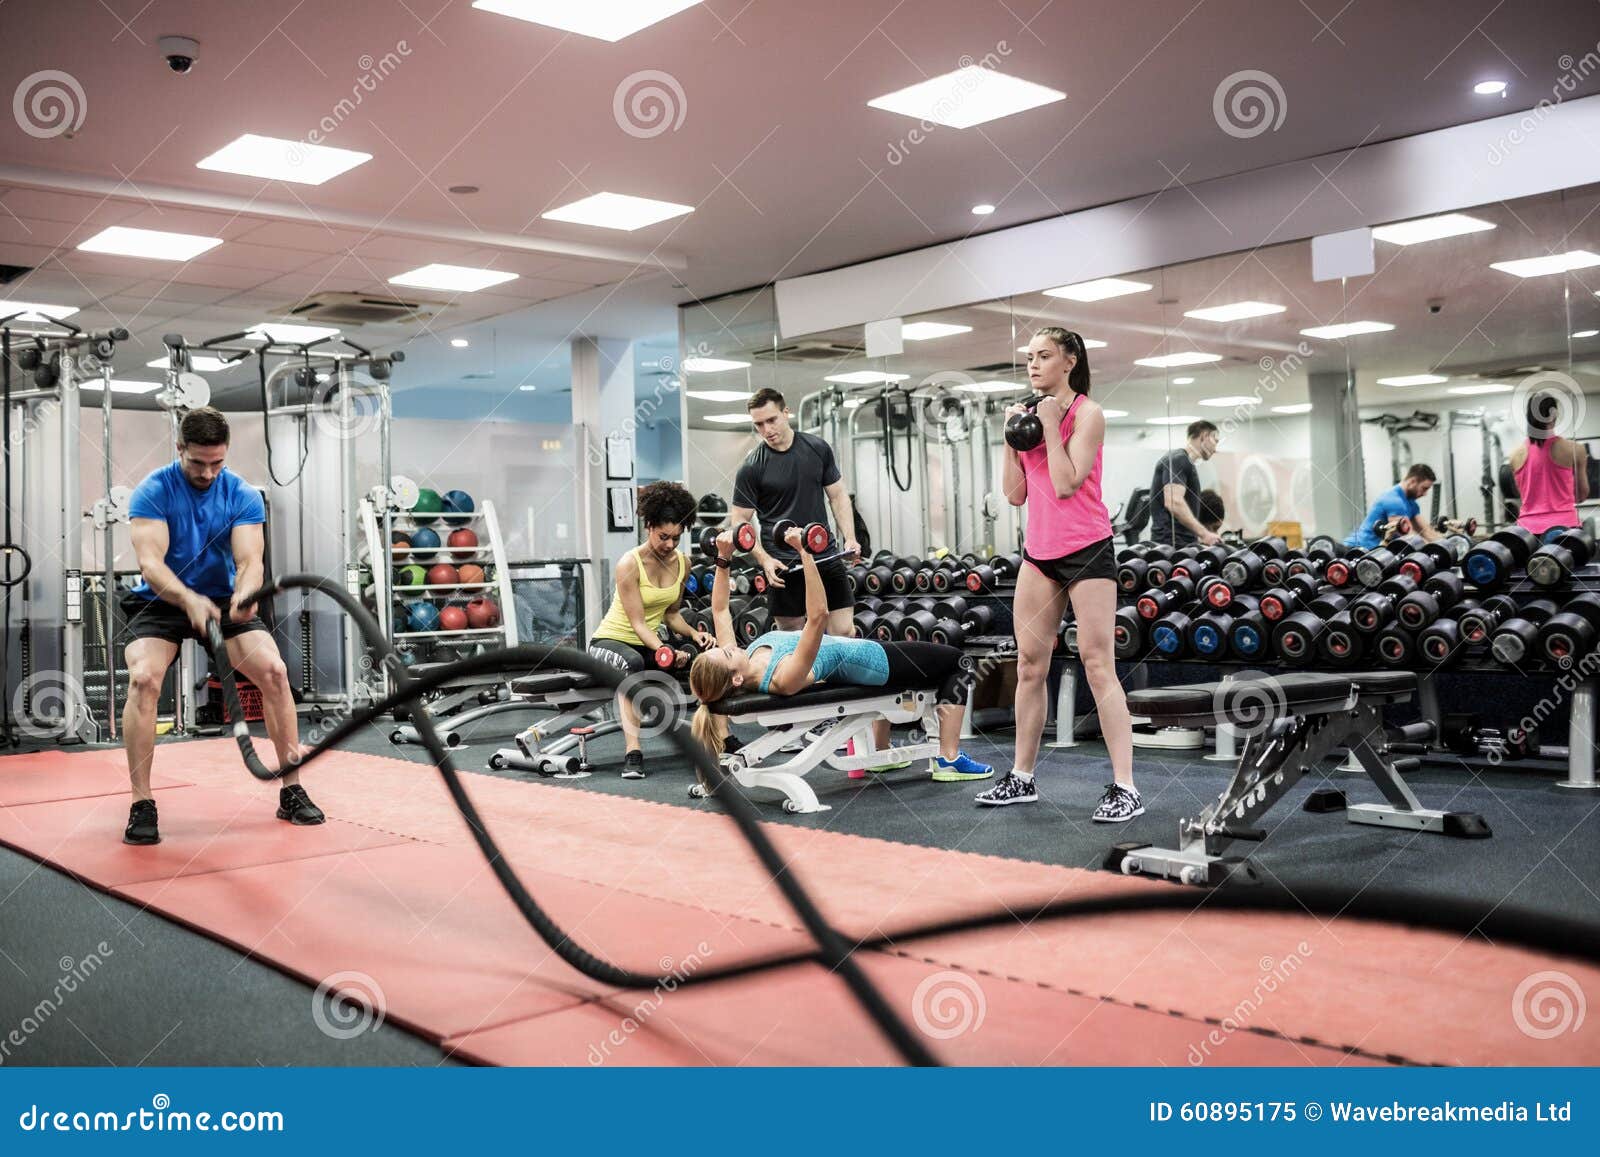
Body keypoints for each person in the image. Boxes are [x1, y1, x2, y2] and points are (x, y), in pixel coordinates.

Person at [121, 407, 320, 846]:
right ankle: (142, 802)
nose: (208, 473)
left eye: (217, 463)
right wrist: (187, 599)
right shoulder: (153, 491)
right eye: (198, 463)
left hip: (224, 601)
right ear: (180, 450)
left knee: (274, 673)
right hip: (162, 600)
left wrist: (245, 596)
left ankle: (291, 789)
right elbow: (151, 563)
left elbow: (251, 559)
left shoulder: (242, 494)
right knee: (143, 678)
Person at [687, 525, 992, 788]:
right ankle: (949, 758)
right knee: (956, 661)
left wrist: (723, 559)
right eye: (724, 653)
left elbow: (719, 609)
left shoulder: (746, 659)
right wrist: (805, 552)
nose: (725, 646)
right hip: (876, 663)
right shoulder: (782, 676)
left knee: (917, 664)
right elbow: (818, 616)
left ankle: (882, 754)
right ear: (736, 678)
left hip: (867, 655)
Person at [987, 327, 1141, 822]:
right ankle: (1022, 777)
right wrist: (1010, 439)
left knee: (1098, 665)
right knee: (1030, 665)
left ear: (1069, 361)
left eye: (1044, 356)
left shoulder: (1089, 414)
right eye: (1029, 357)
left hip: (1088, 551)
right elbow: (1015, 495)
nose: (1033, 365)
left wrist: (1051, 424)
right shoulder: (1029, 415)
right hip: (1039, 555)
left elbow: (1067, 482)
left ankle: (1126, 787)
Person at [730, 388, 901, 766]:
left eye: (772, 420)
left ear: (786, 412)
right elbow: (739, 524)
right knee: (789, 651)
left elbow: (838, 496)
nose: (767, 430)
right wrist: (762, 559)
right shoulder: (752, 466)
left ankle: (844, 719)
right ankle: (791, 727)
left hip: (824, 557)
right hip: (783, 566)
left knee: (844, 636)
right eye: (758, 425)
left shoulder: (816, 448)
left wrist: (851, 536)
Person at [587, 480, 715, 779]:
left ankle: (720, 739)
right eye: (663, 536)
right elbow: (638, 623)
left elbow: (671, 614)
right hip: (611, 641)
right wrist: (664, 650)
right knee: (631, 664)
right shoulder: (629, 564)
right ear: (648, 526)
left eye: (676, 538)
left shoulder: (682, 563)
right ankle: (633, 752)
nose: (669, 544)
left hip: (649, 643)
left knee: (706, 661)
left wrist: (695, 635)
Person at [1510, 392, 1588, 534]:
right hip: (1565, 529)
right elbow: (1581, 495)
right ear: (1554, 414)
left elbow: (1524, 496)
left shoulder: (1514, 455)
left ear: (1528, 416)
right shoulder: (1575, 450)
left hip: (1527, 533)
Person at [1148, 419, 1220, 547]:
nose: (1215, 449)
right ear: (1204, 436)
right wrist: (1204, 534)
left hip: (1181, 542)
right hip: (1171, 544)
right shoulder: (1179, 459)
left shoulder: (1186, 462)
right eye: (1216, 441)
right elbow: (1173, 502)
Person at [1345, 464, 1441, 549]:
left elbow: (1426, 531)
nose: (1425, 494)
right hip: (1358, 550)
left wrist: (1446, 544)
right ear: (1412, 481)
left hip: (1377, 551)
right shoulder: (1394, 500)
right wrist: (1435, 549)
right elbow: (1409, 537)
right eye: (1424, 488)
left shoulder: (1412, 503)